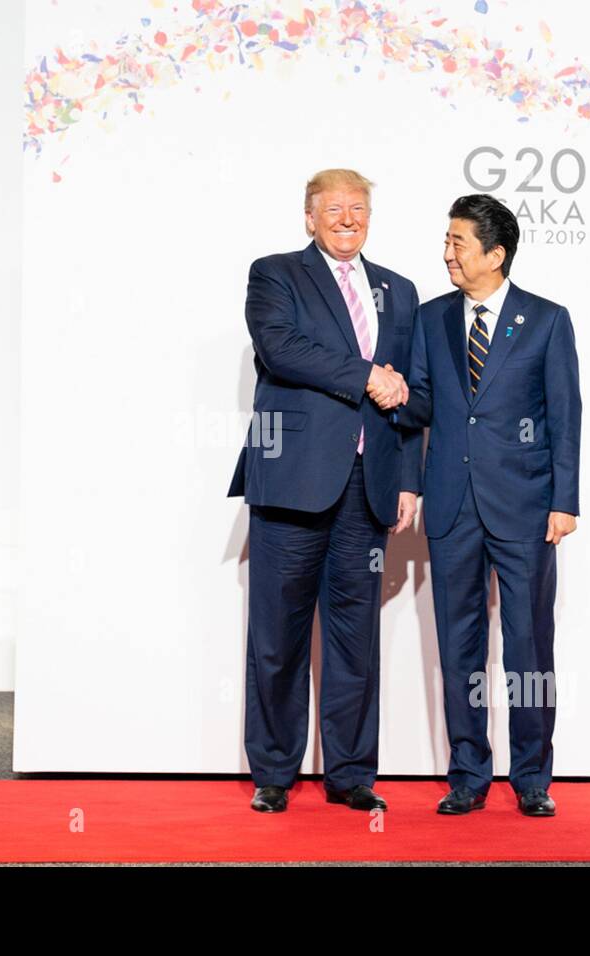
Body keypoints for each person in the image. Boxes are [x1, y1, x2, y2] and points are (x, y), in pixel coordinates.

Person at [227, 169, 422, 813]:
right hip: (292, 481)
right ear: (309, 216)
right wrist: (367, 375)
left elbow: (411, 392)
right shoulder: (275, 273)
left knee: (354, 636)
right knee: (278, 635)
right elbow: (282, 350)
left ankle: (350, 773)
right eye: (334, 208)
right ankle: (275, 773)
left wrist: (407, 478)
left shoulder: (400, 289)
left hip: (369, 486)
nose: (348, 219)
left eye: (359, 208)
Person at [397, 194, 582, 817]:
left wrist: (565, 500)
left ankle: (532, 777)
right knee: (459, 646)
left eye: (458, 243)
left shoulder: (548, 320)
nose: (446, 252)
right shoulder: (430, 319)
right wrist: (389, 389)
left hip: (527, 508)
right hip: (451, 506)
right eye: (446, 240)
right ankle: (468, 775)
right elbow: (420, 407)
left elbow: (565, 415)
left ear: (495, 254)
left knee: (529, 645)